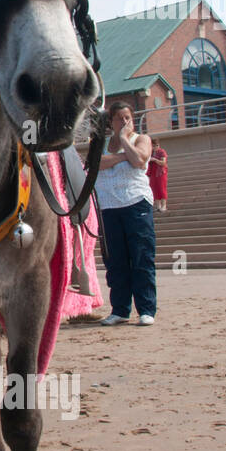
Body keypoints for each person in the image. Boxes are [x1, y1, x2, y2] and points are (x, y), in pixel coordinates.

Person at [93, 102, 156, 326]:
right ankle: (120, 309)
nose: (124, 122)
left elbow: (140, 160)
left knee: (141, 257)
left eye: (128, 117)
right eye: (119, 118)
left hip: (136, 203)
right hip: (109, 207)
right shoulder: (101, 142)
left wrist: (124, 140)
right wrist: (121, 157)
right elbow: (96, 164)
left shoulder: (142, 139)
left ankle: (146, 309)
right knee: (115, 261)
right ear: (110, 121)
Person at [147, 143, 168, 211]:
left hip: (160, 173)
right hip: (152, 173)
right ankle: (158, 206)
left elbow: (163, 163)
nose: (155, 147)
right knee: (154, 190)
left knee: (161, 189)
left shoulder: (161, 152)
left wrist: (155, 160)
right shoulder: (150, 153)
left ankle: (163, 206)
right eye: (153, 146)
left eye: (156, 145)